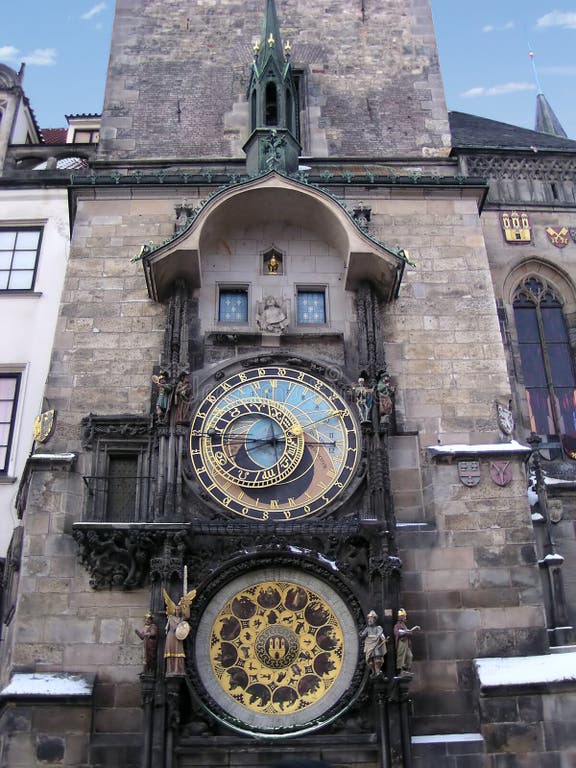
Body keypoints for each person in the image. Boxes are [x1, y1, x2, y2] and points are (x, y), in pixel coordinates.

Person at [359, 609, 387, 676]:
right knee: (370, 660)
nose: (369, 620)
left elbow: (380, 634)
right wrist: (361, 635)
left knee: (377, 659)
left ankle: (378, 671)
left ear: (374, 619)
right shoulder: (367, 629)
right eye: (369, 618)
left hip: (376, 643)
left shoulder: (378, 628)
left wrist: (382, 637)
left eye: (371, 618)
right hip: (369, 643)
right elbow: (363, 635)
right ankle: (373, 671)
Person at [394, 608, 420, 675]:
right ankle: (402, 671)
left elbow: (409, 633)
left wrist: (408, 632)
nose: (405, 618)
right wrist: (405, 632)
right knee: (402, 656)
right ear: (401, 617)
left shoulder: (404, 626)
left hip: (406, 643)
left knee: (410, 656)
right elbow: (397, 633)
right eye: (404, 616)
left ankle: (407, 670)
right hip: (402, 643)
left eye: (405, 616)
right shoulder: (397, 626)